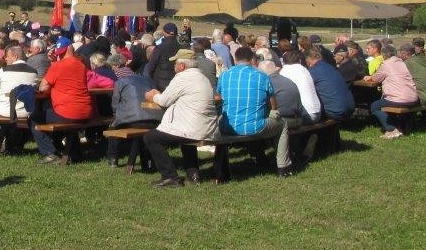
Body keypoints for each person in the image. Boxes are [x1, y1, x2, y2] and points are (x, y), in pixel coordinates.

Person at [142, 49, 220, 187]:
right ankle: (193, 173)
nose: (174, 66)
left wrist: (152, 96)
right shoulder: (203, 77)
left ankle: (170, 176)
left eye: (175, 63)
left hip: (192, 128)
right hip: (207, 128)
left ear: (182, 66)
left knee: (151, 137)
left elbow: (165, 100)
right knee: (185, 135)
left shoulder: (182, 78)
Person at [217, 47, 292, 177]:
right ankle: (284, 167)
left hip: (226, 127)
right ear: (252, 59)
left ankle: (259, 158)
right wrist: (271, 111)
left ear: (235, 59)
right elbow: (272, 103)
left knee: (246, 119)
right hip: (254, 126)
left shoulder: (224, 75)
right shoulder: (261, 76)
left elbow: (219, 95)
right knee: (282, 124)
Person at [33, 37, 94, 164]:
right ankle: (74, 153)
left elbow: (43, 87)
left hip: (67, 113)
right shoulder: (81, 65)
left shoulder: (57, 66)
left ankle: (50, 153)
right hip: (86, 112)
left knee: (34, 118)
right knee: (61, 118)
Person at [106, 65, 161, 169]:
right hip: (155, 118)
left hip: (133, 119)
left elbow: (115, 105)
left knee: (113, 128)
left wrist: (117, 115)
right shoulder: (149, 81)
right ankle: (148, 160)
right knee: (145, 133)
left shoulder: (120, 82)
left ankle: (113, 159)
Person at [364, 44, 418, 139]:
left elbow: (376, 78)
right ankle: (400, 126)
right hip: (413, 97)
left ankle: (392, 129)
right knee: (387, 104)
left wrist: (370, 77)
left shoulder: (386, 64)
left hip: (399, 98)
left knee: (374, 106)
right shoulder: (402, 62)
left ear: (384, 55)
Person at [305, 48, 355, 122]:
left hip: (336, 111)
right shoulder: (331, 67)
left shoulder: (313, 71)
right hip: (350, 108)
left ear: (308, 60)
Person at [146, 22, 180, 91]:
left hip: (160, 82)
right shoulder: (180, 47)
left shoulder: (160, 47)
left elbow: (152, 66)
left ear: (164, 32)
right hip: (176, 81)